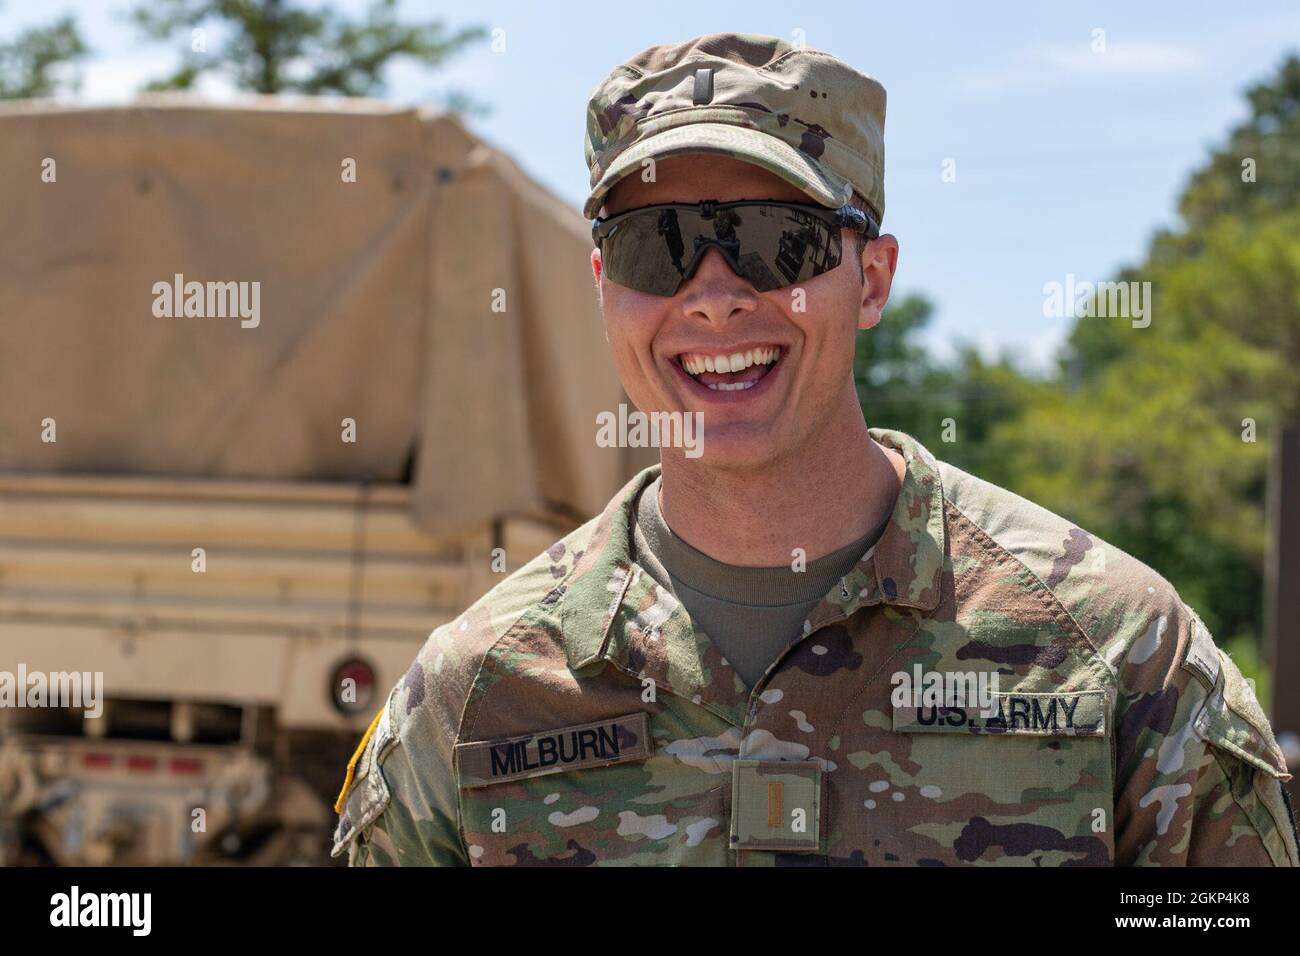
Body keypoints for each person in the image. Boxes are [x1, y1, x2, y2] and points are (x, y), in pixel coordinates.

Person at [332, 32, 1298, 866]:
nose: (712, 294)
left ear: (871, 281)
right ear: (601, 286)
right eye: (653, 245)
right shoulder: (480, 693)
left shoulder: (1115, 656)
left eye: (774, 240)